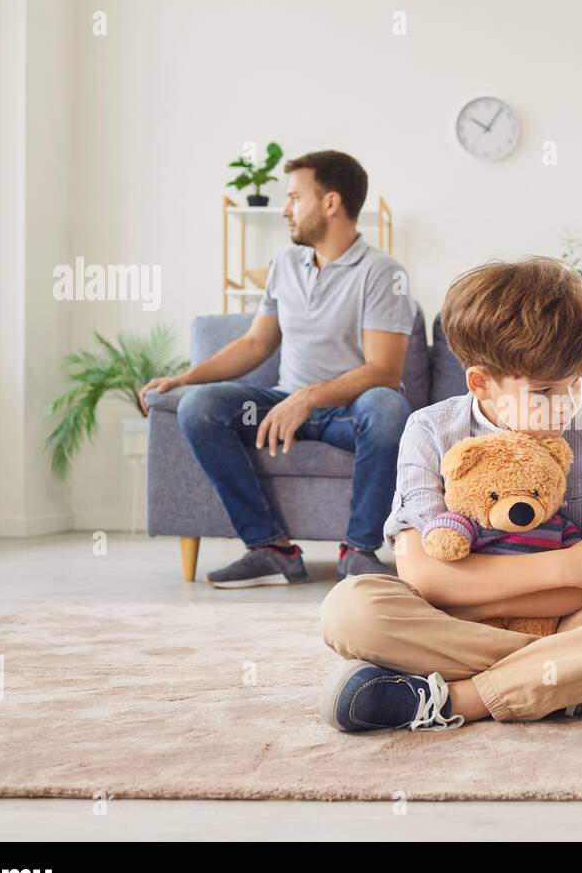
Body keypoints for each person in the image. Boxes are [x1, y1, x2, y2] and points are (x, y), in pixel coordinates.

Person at [316, 257, 582, 732]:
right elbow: (425, 577)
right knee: (350, 610)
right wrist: (565, 568)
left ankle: (459, 700)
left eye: (577, 383)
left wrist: (476, 590)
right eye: (545, 390)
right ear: (481, 382)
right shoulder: (430, 430)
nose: (568, 405)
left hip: (554, 622)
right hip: (456, 623)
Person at [140, 151, 413, 587]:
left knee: (388, 407)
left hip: (347, 413)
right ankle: (271, 549)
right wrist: (185, 378)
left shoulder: (382, 272)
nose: (286, 209)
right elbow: (255, 343)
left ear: (330, 203)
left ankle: (358, 553)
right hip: (282, 403)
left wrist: (307, 399)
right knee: (200, 407)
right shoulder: (285, 264)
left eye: (294, 197)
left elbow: (383, 369)